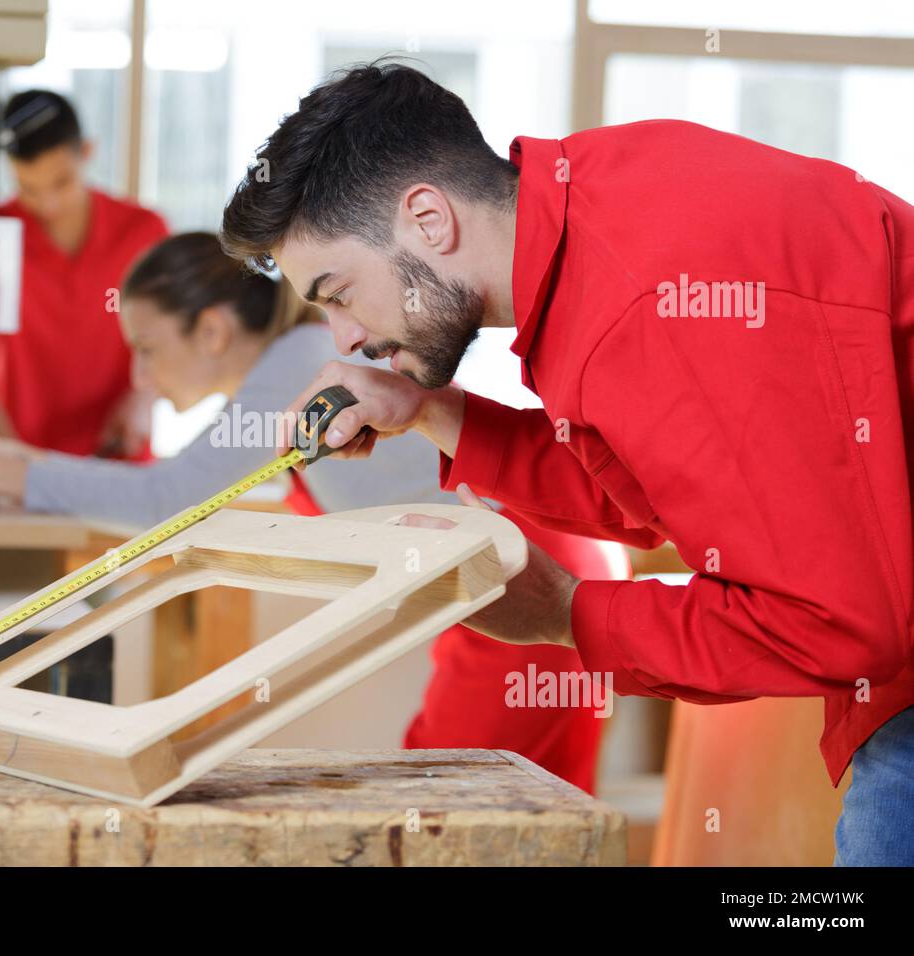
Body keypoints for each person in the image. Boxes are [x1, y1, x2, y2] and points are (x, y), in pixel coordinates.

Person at [218, 61, 914, 865]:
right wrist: (436, 414)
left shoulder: (647, 299)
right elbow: (660, 487)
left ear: (427, 218)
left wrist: (564, 614)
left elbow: (839, 627)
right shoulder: (596, 220)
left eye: (337, 292)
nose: (343, 337)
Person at [0, 231, 628, 793]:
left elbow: (168, 500)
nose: (140, 376)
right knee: (501, 809)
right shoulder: (296, 362)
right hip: (526, 572)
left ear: (211, 332)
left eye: (146, 350)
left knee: (463, 814)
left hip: (523, 582)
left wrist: (11, 468)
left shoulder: (294, 360)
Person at [0, 89, 168, 458]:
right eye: (29, 188)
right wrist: (21, 469)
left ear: (86, 152)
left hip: (119, 469)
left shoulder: (144, 232)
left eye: (61, 183)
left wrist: (143, 397)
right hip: (16, 478)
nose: (46, 204)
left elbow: (172, 342)